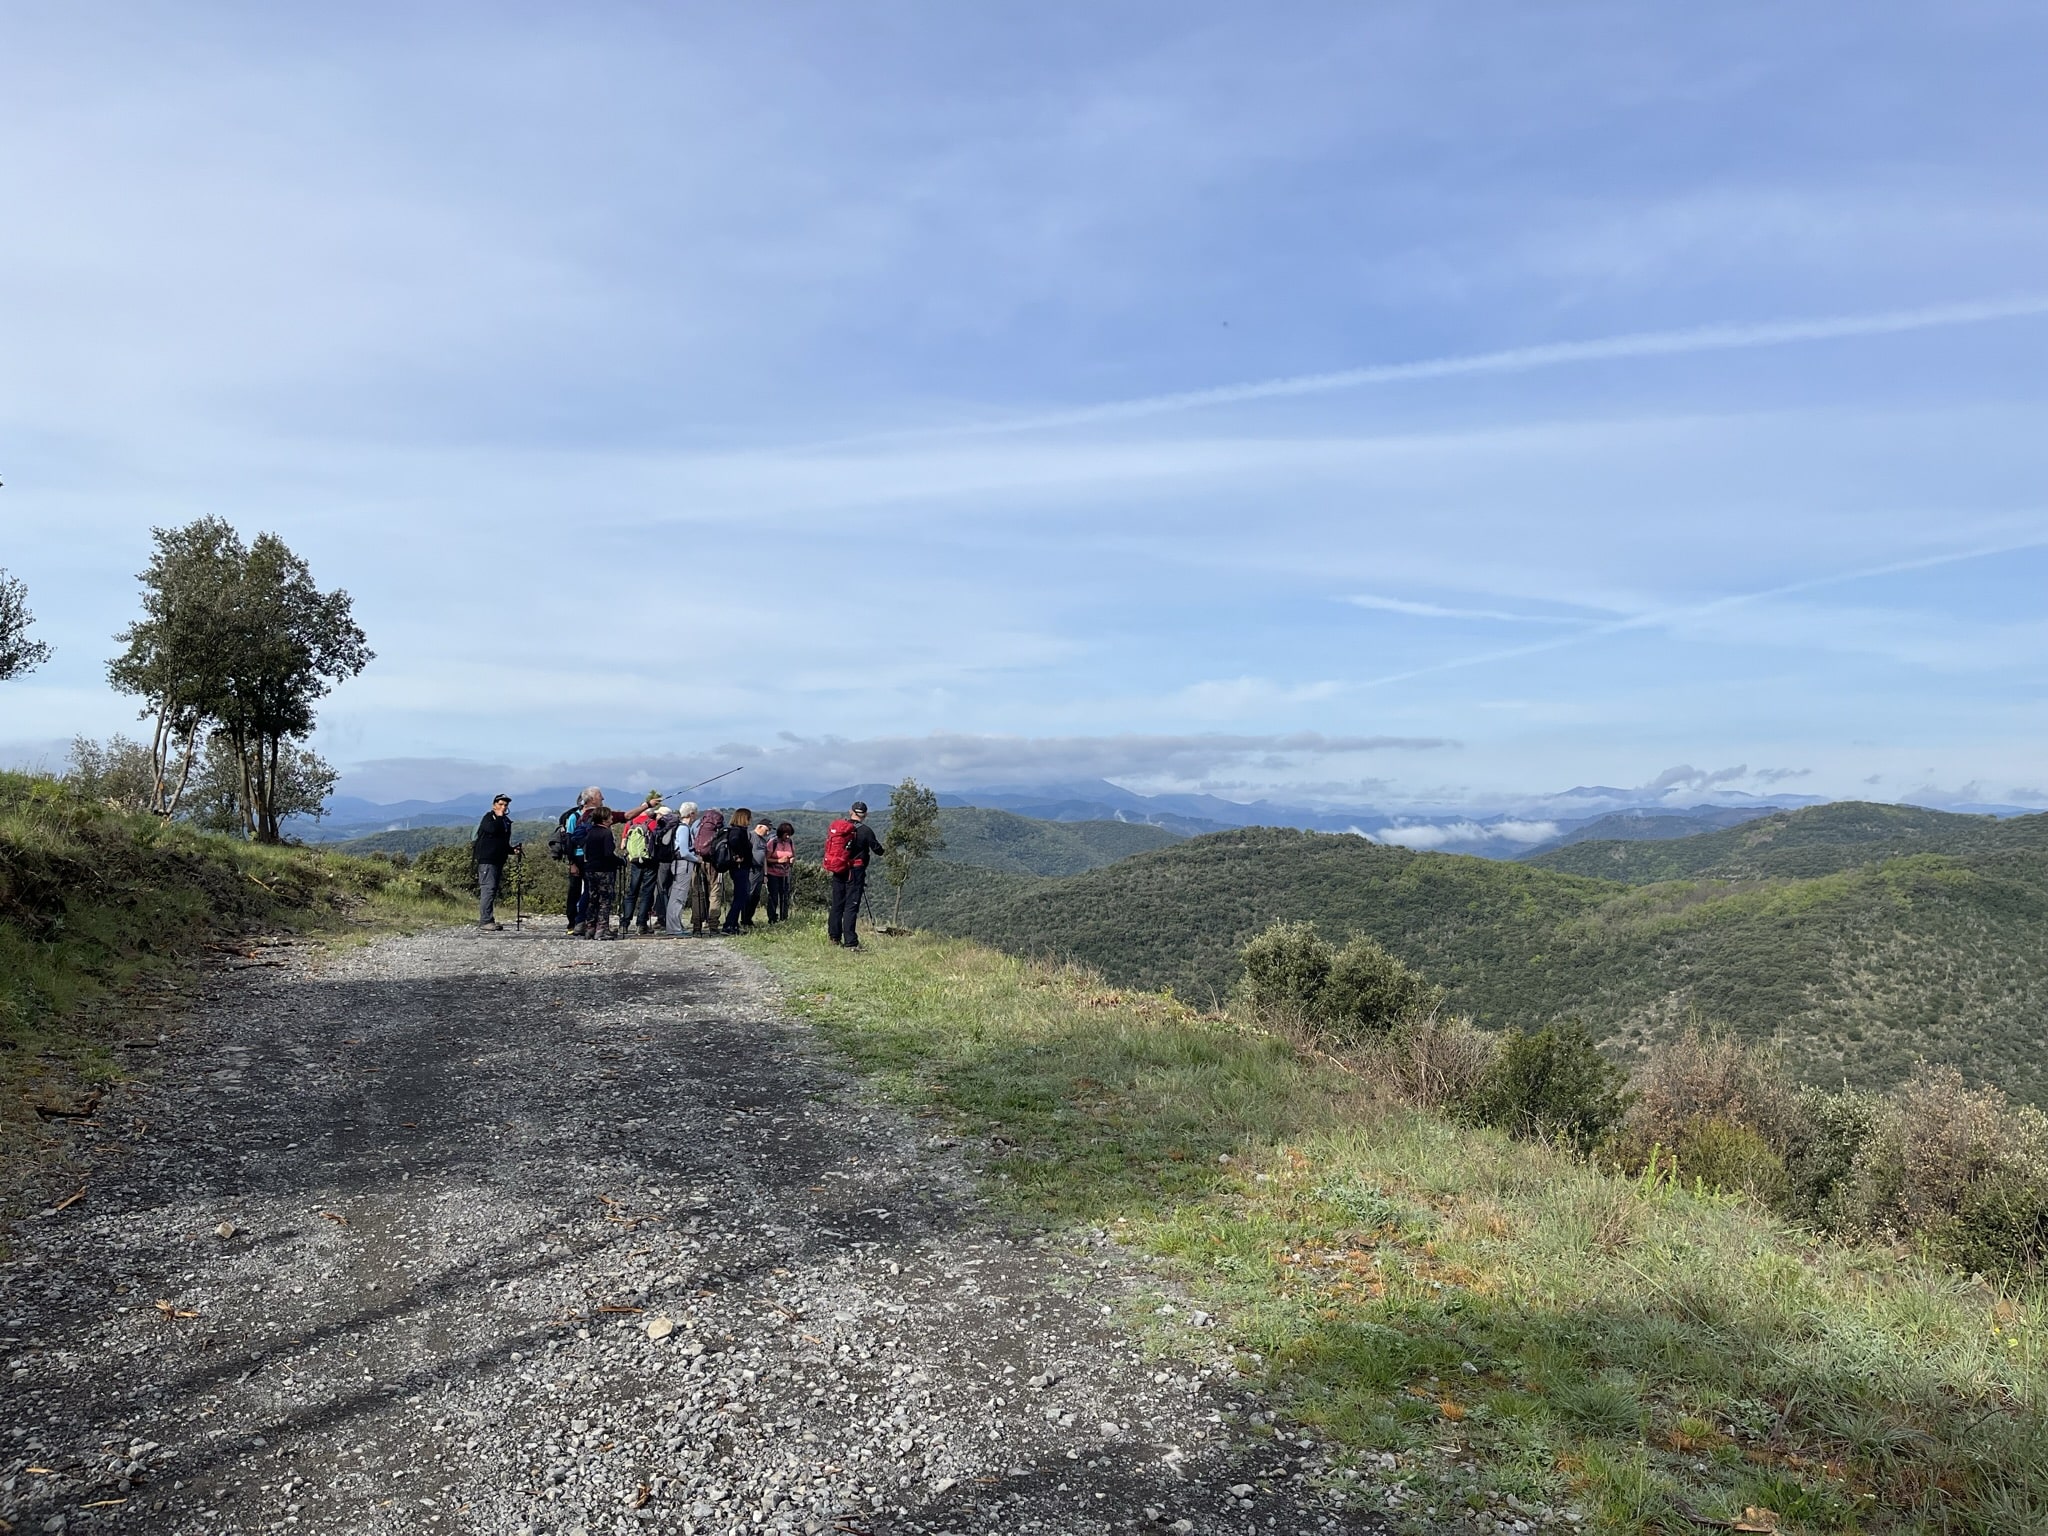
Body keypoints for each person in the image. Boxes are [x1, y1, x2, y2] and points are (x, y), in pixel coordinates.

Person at [826, 800, 884, 948]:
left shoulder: (840, 829)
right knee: (851, 906)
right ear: (865, 814)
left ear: (850, 811)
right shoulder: (865, 831)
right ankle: (850, 942)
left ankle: (834, 938)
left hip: (839, 868)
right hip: (855, 871)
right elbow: (878, 850)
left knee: (837, 904)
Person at [472, 794, 522, 930]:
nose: (503, 807)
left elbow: (502, 842)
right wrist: (499, 817)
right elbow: (492, 829)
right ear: (494, 805)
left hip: (498, 860)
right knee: (488, 889)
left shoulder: (506, 821)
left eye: (505, 805)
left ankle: (489, 919)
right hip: (487, 859)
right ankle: (485, 921)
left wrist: (512, 850)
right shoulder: (488, 818)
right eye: (500, 804)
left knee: (492, 889)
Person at [619, 791, 666, 935]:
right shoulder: (654, 823)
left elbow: (623, 845)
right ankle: (641, 924)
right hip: (650, 861)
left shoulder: (631, 822)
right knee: (646, 893)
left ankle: (624, 924)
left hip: (634, 861)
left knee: (632, 892)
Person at [559, 786, 604, 933]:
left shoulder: (595, 816)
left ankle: (587, 921)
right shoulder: (574, 817)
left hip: (590, 858)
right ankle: (573, 922)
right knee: (575, 889)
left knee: (591, 889)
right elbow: (569, 841)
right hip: (578, 857)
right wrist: (572, 863)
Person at [577, 809, 623, 939]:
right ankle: (602, 929)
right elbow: (608, 853)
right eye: (610, 817)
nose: (612, 818)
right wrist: (620, 861)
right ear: (604, 819)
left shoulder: (590, 832)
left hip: (590, 869)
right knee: (605, 900)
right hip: (604, 869)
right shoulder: (606, 833)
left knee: (593, 898)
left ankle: (590, 927)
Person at [665, 801, 701, 935]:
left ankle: (675, 925)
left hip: (678, 864)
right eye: (695, 813)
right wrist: (697, 859)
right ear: (691, 814)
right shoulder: (684, 829)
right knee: (678, 896)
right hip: (683, 865)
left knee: (676, 895)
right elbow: (685, 852)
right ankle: (674, 928)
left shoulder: (679, 827)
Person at [721, 807, 757, 933]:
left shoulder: (737, 830)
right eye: (749, 818)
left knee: (740, 896)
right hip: (740, 867)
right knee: (741, 896)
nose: (750, 820)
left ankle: (733, 924)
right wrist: (740, 855)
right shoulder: (738, 831)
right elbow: (734, 841)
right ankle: (729, 924)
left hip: (739, 868)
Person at [763, 820, 796, 924]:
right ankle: (772, 918)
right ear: (781, 833)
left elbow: (793, 855)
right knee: (773, 896)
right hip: (773, 874)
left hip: (785, 874)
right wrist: (778, 861)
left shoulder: (790, 842)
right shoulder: (773, 842)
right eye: (786, 834)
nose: (788, 837)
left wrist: (792, 860)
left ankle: (784, 917)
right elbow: (766, 859)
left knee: (784, 896)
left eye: (789, 835)